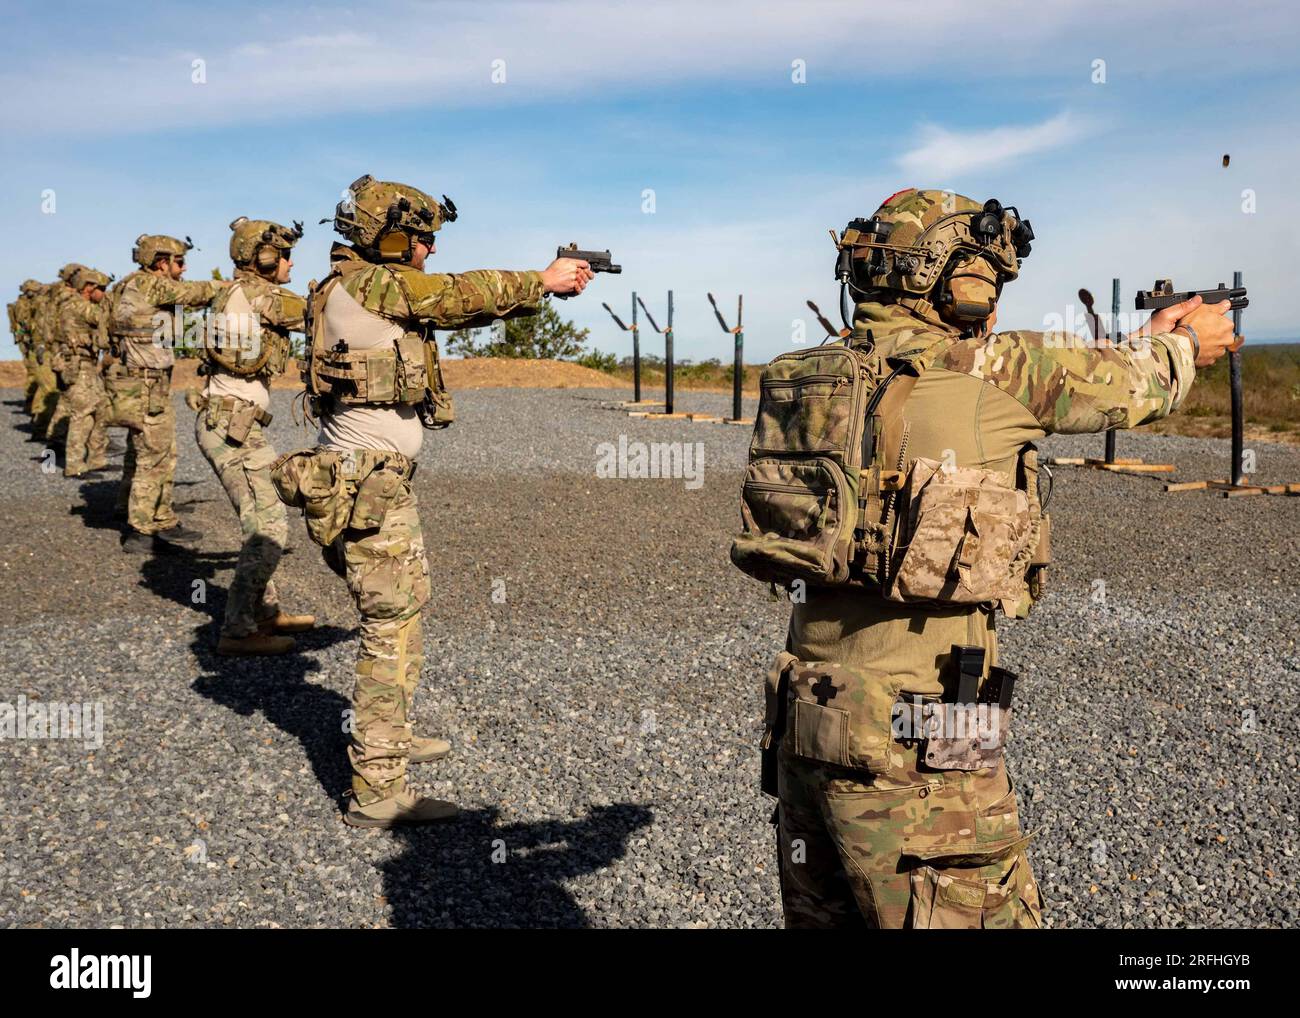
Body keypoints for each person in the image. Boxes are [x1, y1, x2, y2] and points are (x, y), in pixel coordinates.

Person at [736, 188, 1238, 928]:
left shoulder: (803, 378)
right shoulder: (989, 370)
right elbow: (1136, 385)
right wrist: (1185, 339)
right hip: (925, 742)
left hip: (807, 722)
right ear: (958, 279)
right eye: (989, 279)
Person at [274, 175, 592, 827]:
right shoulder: (370, 284)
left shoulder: (351, 284)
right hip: (366, 485)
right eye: (423, 239)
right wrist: (541, 279)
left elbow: (453, 303)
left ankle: (386, 733)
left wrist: (538, 292)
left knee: (402, 610)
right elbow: (453, 297)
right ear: (390, 238)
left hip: (367, 482)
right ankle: (377, 788)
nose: (430, 251)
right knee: (391, 621)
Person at [194, 217, 315, 656]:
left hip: (233, 423)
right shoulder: (260, 295)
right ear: (265, 258)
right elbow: (319, 315)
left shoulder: (238, 293)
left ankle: (264, 613)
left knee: (264, 519)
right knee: (268, 526)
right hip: (232, 428)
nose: (291, 262)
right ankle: (238, 631)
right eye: (285, 255)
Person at [102, 234, 224, 553]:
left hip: (136, 383)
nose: (182, 269)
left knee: (140, 449)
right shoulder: (149, 284)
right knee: (158, 455)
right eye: (179, 262)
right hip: (148, 385)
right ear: (161, 263)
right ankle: (145, 528)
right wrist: (230, 287)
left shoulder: (127, 286)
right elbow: (192, 293)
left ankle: (130, 508)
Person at [56, 267, 115, 478]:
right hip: (78, 366)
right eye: (102, 289)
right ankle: (74, 465)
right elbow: (103, 317)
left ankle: (96, 460)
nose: (104, 293)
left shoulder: (77, 305)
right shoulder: (79, 306)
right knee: (81, 414)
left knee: (99, 410)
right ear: (89, 288)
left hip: (87, 365)